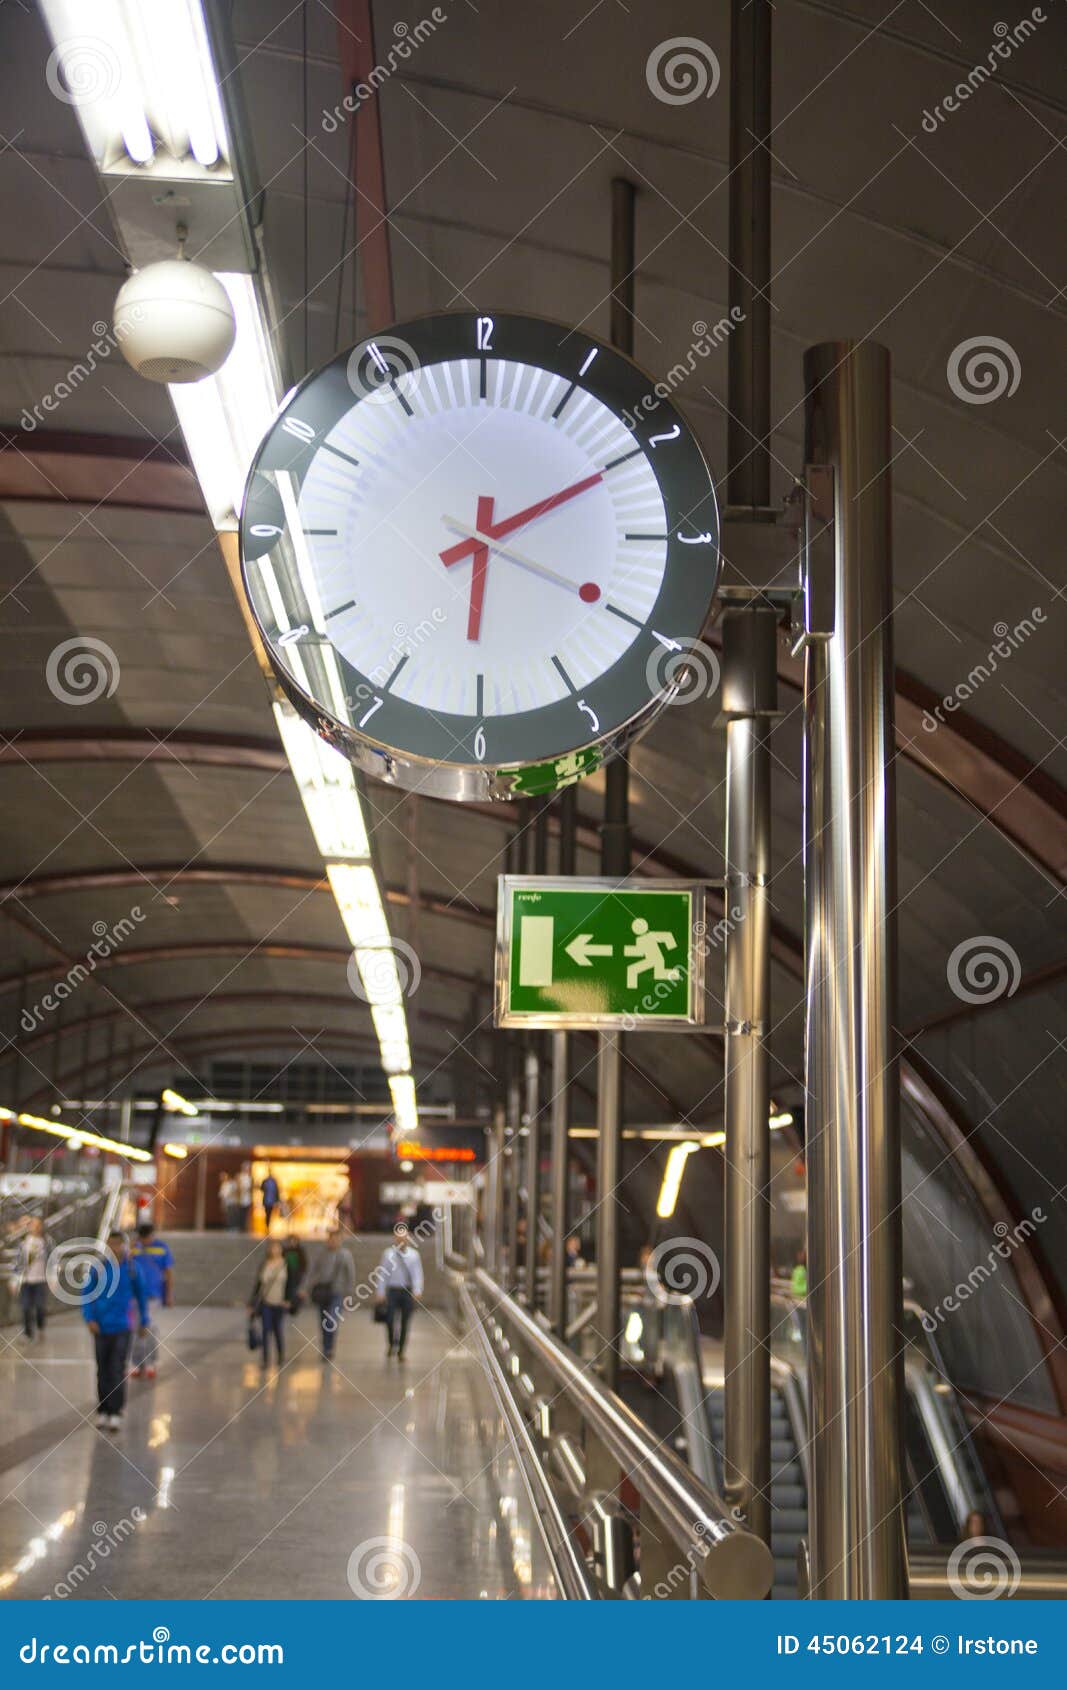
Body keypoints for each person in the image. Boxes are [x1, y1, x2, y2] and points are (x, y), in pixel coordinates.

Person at [82, 1232, 148, 1432]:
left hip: (122, 1327)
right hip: (100, 1327)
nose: (115, 1247)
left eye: (118, 1244)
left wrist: (144, 1320)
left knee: (117, 1369)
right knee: (102, 1369)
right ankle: (103, 1409)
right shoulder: (98, 1269)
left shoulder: (132, 1269)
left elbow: (142, 1295)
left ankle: (116, 1411)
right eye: (111, 1244)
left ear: (124, 1245)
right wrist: (89, 1318)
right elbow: (87, 1294)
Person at [129, 1222, 173, 1379]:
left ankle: (150, 1363)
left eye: (147, 1237)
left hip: (153, 1295)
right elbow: (123, 1264)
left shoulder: (161, 1247)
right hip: (134, 1296)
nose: (145, 1241)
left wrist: (168, 1294)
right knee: (135, 1328)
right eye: (142, 1237)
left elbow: (168, 1272)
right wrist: (131, 1248)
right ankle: (136, 1363)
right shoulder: (134, 1247)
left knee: (148, 1327)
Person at [377, 1223, 424, 1360]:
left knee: (405, 1321)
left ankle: (401, 1350)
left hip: (406, 1291)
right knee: (390, 1318)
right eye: (398, 1238)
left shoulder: (414, 1256)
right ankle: (392, 1343)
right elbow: (382, 1273)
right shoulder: (388, 1254)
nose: (401, 1241)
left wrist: (417, 1290)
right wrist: (380, 1291)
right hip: (392, 1290)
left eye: (403, 1238)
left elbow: (417, 1274)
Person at [309, 1229, 355, 1362]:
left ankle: (330, 1348)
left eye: (336, 1239)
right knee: (323, 1321)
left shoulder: (345, 1255)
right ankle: (325, 1347)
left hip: (337, 1292)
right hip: (323, 1291)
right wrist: (307, 1287)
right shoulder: (321, 1254)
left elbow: (350, 1274)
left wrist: (349, 1292)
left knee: (331, 1320)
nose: (333, 1241)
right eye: (331, 1239)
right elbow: (313, 1271)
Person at [249, 1239, 288, 1372]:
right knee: (266, 1330)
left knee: (278, 1330)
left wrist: (288, 1299)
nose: (274, 1250)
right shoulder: (264, 1264)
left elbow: (291, 1283)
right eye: (272, 1248)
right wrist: (251, 1303)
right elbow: (258, 1285)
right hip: (266, 1301)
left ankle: (281, 1355)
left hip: (279, 1303)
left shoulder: (285, 1264)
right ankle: (265, 1359)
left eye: (277, 1247)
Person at [14, 1216, 49, 1341]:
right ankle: (28, 1333)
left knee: (40, 1306)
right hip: (26, 1281)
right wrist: (16, 1279)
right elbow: (18, 1263)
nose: (35, 1228)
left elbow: (52, 1260)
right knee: (26, 1307)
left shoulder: (46, 1243)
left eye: (38, 1225)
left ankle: (40, 1327)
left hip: (40, 1280)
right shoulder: (23, 1244)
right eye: (33, 1225)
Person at [283, 1234, 307, 1311]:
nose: (292, 1243)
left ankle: (294, 1306)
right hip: (287, 1275)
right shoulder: (285, 1251)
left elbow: (304, 1264)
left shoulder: (300, 1252)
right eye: (290, 1241)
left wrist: (301, 1273)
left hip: (297, 1275)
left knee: (295, 1290)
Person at [261, 1167, 280, 1232]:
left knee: (269, 1214)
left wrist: (277, 1200)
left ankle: (268, 1225)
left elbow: (277, 1191)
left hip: (271, 1201)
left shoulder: (274, 1182)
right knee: (267, 1213)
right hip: (266, 1201)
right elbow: (262, 1188)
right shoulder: (265, 1181)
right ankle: (267, 1225)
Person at [236, 1164, 252, 1232]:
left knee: (246, 1213)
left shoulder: (250, 1177)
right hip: (241, 1198)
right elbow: (238, 1187)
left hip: (247, 1198)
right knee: (241, 1213)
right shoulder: (240, 1177)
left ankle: (245, 1227)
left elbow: (250, 1188)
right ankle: (241, 1227)